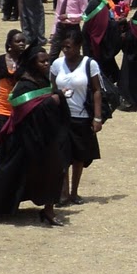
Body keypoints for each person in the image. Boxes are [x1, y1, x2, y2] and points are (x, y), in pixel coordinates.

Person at [0, 47, 70, 224]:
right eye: (42, 61)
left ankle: (48, 210)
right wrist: (51, 101)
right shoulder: (24, 85)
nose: (47, 64)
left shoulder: (42, 80)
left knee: (52, 170)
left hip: (43, 137)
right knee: (13, 174)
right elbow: (25, 111)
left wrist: (56, 97)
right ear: (32, 64)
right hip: (23, 140)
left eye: (47, 61)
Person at [51, 27, 104, 204]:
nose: (66, 50)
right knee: (62, 156)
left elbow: (97, 90)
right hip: (61, 117)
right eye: (63, 47)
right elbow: (51, 89)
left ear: (79, 46)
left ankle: (74, 192)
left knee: (78, 157)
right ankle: (63, 192)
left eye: (69, 47)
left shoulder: (89, 64)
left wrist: (97, 117)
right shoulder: (57, 64)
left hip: (81, 116)